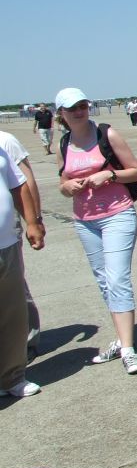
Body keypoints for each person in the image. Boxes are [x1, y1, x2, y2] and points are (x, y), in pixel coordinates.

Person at [56, 87, 137, 375]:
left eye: (83, 105)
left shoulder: (106, 134)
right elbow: (63, 180)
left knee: (118, 278)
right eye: (73, 108)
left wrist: (110, 174)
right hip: (85, 220)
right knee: (104, 280)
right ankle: (121, 338)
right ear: (62, 114)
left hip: (117, 214)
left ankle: (129, 350)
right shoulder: (64, 142)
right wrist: (67, 187)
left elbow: (135, 172)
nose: (79, 111)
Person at [0, 144, 44, 398]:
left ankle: (12, 377)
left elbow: (19, 187)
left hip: (7, 244)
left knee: (13, 315)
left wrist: (31, 222)